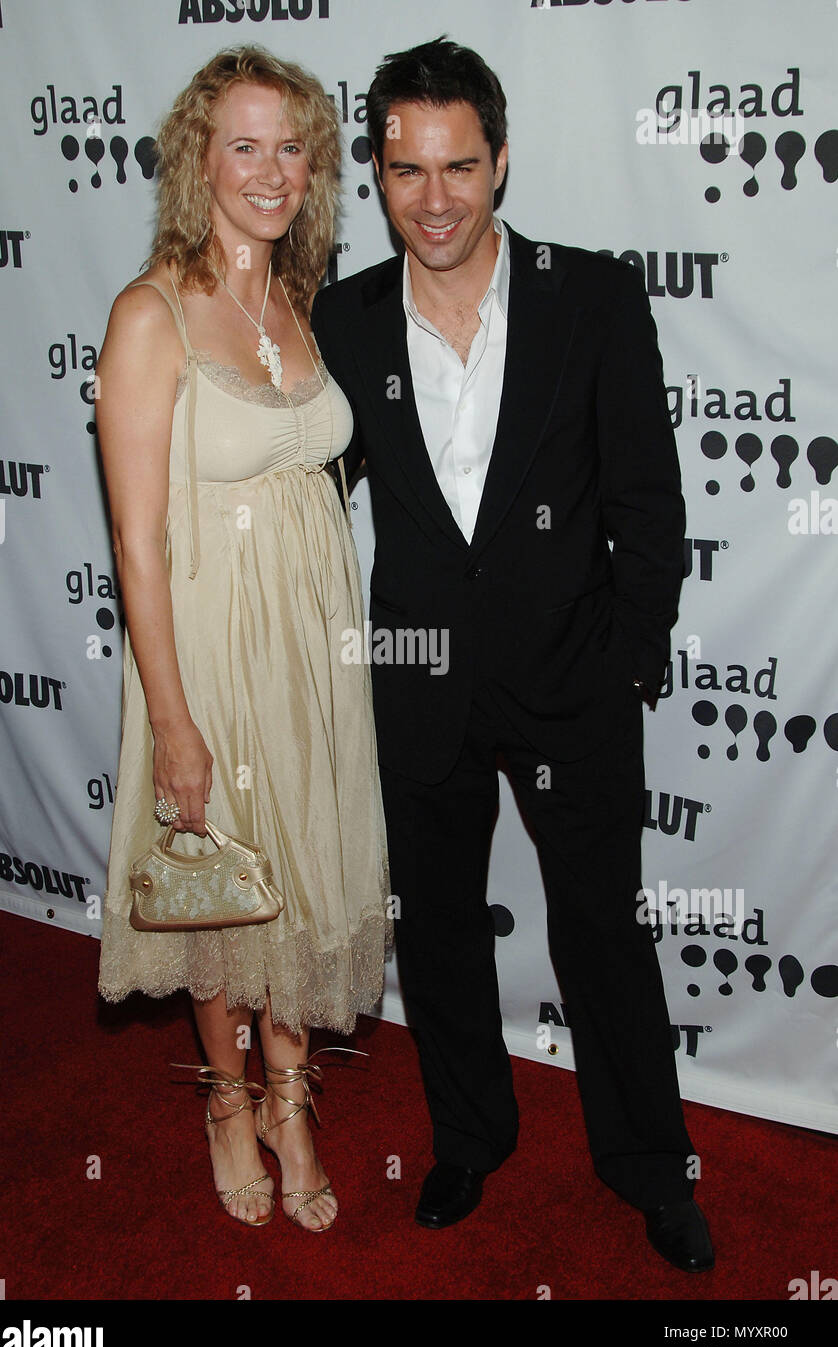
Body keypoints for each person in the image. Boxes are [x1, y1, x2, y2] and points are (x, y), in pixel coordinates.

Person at [311, 37, 714, 1271]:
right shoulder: (344, 317)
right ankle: (469, 1139)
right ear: (376, 171)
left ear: (500, 163)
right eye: (403, 169)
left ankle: (649, 1164)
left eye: (459, 167)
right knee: (434, 931)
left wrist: (629, 657)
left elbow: (647, 499)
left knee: (602, 929)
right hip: (421, 676)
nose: (433, 199)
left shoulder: (587, 296)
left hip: (572, 678)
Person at [96, 45, 391, 1233]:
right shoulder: (149, 310)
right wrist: (173, 719)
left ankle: (288, 1089)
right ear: (198, 160)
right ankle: (228, 1099)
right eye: (244, 145)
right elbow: (135, 540)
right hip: (211, 646)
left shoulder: (294, 295)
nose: (272, 171)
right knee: (226, 891)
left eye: (292, 147)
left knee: (300, 868)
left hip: (312, 643)